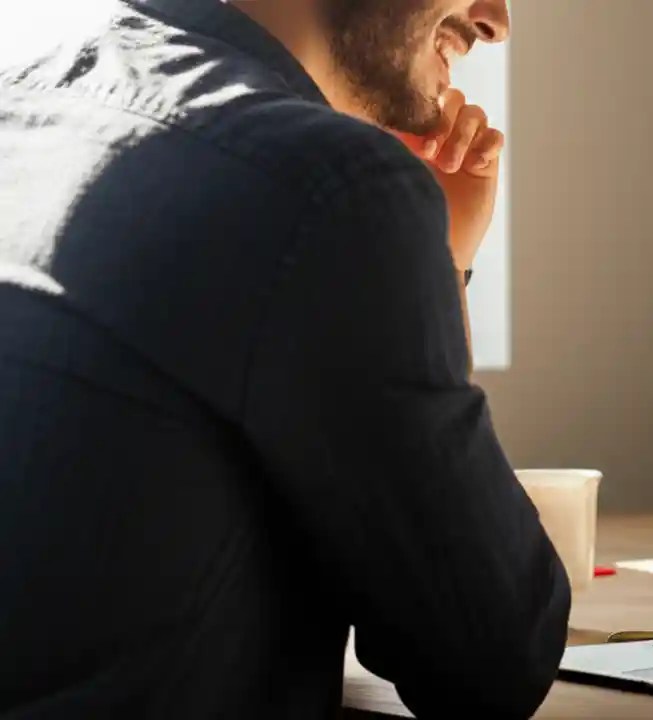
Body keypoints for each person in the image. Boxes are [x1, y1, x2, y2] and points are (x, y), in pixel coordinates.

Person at [0, 0, 570, 717]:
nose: (496, 19)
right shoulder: (330, 184)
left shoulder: (23, 99)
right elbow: (492, 661)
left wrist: (440, 256)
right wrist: (429, 255)